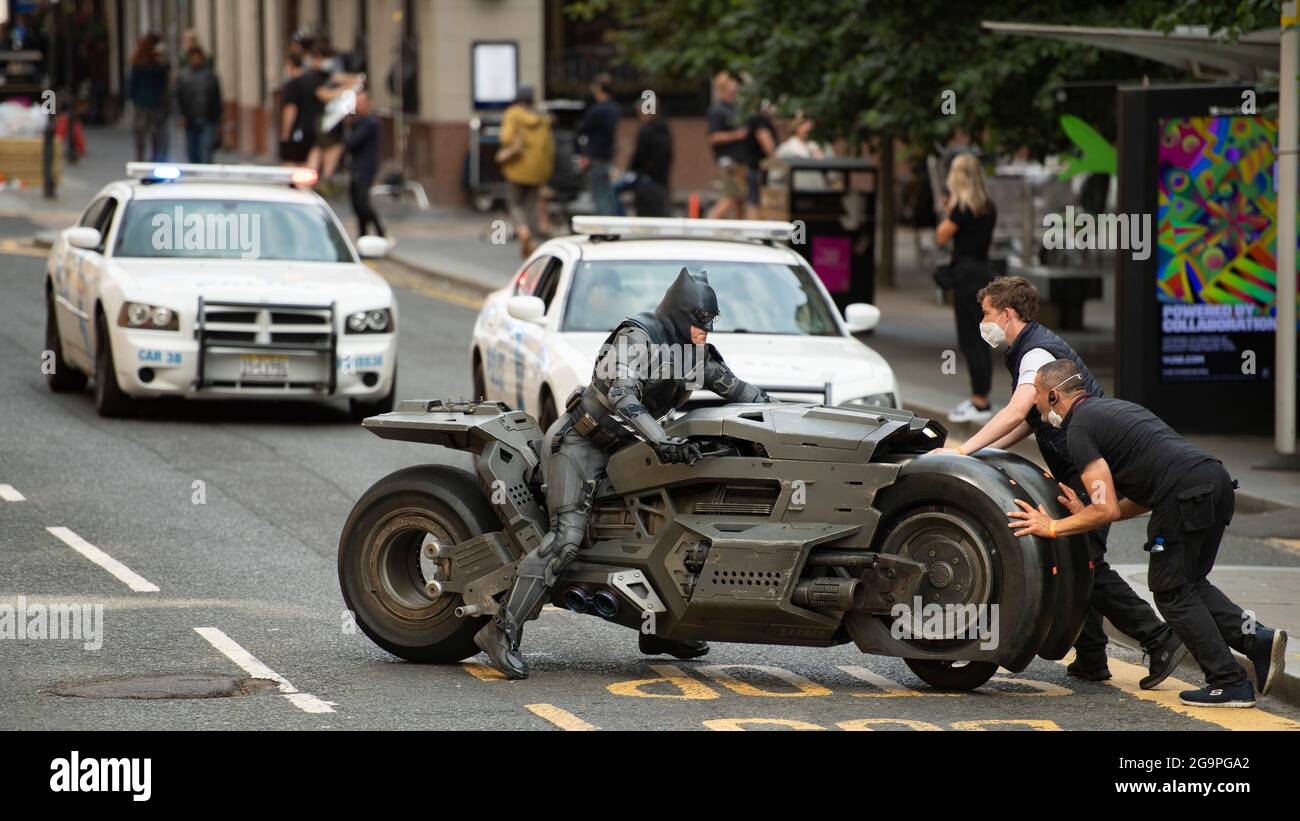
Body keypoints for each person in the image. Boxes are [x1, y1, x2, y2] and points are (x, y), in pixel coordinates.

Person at [475, 268, 774, 679]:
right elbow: (621, 394)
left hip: (630, 448)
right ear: (679, 313)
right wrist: (662, 441)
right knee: (565, 540)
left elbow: (739, 390)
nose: (704, 331)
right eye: (699, 322)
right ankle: (500, 631)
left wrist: (784, 416)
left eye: (709, 323)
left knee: (670, 531)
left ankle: (660, 632)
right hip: (582, 443)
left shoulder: (691, 350)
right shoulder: (637, 336)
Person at [936, 276, 1184, 685]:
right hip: (1081, 467)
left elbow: (1016, 412)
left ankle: (1159, 638)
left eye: (986, 314)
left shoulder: (1034, 353)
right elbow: (1031, 419)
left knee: (1087, 566)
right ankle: (1092, 656)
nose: (983, 322)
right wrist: (983, 450)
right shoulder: (1028, 348)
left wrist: (963, 451)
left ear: (1007, 314)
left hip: (1091, 467)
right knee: (1079, 558)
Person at [1008, 359, 1289, 707]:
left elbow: (1106, 509)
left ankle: (1229, 681)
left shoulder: (1078, 428)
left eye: (1036, 394)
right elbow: (1137, 494)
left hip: (1184, 495)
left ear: (1053, 395)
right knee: (1190, 582)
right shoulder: (1113, 409)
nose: (1034, 403)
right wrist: (1088, 511)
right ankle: (1256, 641)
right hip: (1214, 482)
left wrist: (1052, 526)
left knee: (1171, 590)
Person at [936, 152, 997, 424]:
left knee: (970, 339)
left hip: (965, 275)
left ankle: (979, 401)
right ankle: (980, 397)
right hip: (982, 272)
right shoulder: (988, 207)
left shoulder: (961, 210)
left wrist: (947, 211)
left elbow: (941, 236)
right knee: (980, 337)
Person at [496, 84, 555, 258]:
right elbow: (549, 147)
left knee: (514, 203)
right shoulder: (542, 118)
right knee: (531, 205)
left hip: (517, 167)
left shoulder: (512, 114)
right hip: (538, 169)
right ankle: (533, 242)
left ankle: (522, 231)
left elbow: (506, 138)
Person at [706, 71, 748, 219]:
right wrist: (737, 135)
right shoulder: (717, 110)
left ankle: (739, 229)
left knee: (741, 199)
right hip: (727, 161)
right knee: (731, 196)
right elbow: (713, 137)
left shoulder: (735, 108)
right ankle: (709, 223)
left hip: (740, 160)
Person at [577, 73, 620, 216]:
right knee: (607, 192)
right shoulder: (614, 108)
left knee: (599, 194)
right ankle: (611, 220)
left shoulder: (598, 110)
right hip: (607, 155)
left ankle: (605, 222)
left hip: (596, 156)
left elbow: (583, 129)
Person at [344, 90, 384, 238]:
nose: (358, 106)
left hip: (365, 168)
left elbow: (352, 142)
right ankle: (363, 235)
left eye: (361, 103)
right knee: (356, 204)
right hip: (356, 167)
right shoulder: (359, 121)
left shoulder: (370, 123)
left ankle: (380, 232)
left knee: (362, 202)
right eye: (357, 103)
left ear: (368, 103)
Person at [126, 33, 170, 162]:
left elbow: (132, 83)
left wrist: (132, 97)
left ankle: (140, 157)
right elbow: (163, 83)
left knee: (140, 133)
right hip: (155, 103)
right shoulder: (157, 64)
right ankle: (155, 157)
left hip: (141, 103)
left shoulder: (138, 62)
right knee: (155, 132)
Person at [175, 47, 222, 164]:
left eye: (198, 57)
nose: (196, 60)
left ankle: (205, 170)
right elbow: (177, 97)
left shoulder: (210, 75)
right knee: (192, 150)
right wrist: (180, 115)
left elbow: (216, 97)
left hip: (208, 117)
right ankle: (195, 170)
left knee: (206, 148)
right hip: (190, 118)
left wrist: (218, 118)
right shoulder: (183, 76)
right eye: (194, 58)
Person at [625, 102, 673, 217]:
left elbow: (639, 156)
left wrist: (633, 170)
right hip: (662, 182)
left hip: (646, 181)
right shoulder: (665, 129)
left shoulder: (646, 131)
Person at [742, 99, 777, 218]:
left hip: (755, 167)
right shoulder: (760, 121)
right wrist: (775, 159)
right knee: (756, 201)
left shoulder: (753, 120)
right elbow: (764, 138)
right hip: (759, 168)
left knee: (754, 200)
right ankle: (754, 227)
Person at [279, 53, 314, 166]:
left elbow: (290, 108)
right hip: (310, 129)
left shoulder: (292, 85)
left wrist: (285, 132)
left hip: (296, 130)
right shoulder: (310, 82)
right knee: (305, 162)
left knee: (290, 162)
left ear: (291, 65)